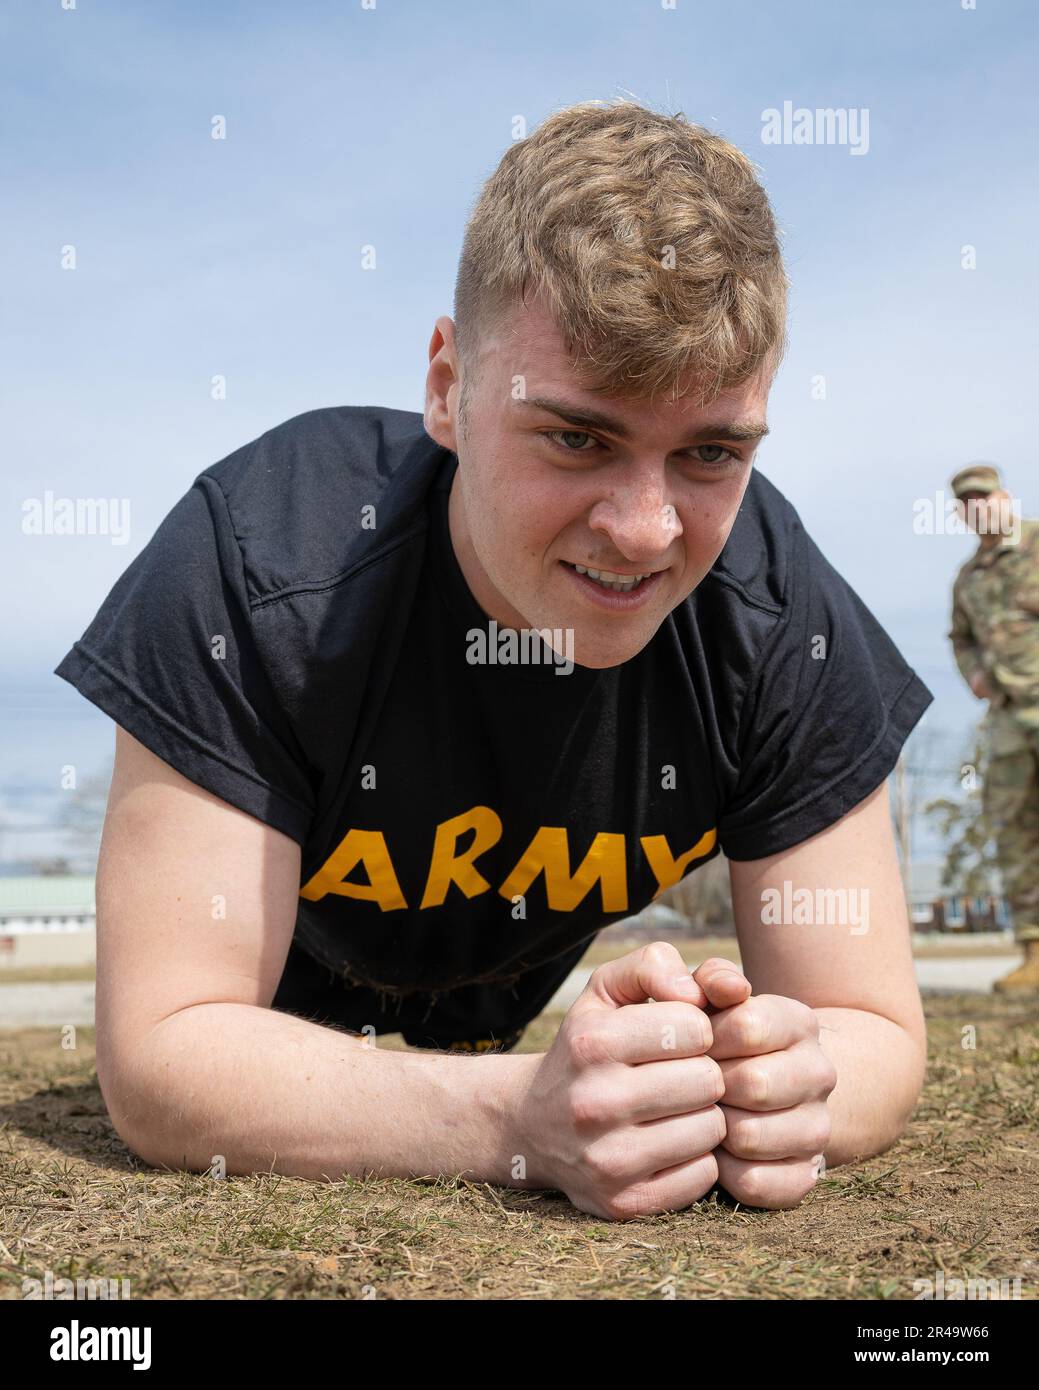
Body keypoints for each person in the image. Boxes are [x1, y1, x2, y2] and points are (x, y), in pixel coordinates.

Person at [54, 99, 932, 1221]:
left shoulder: (773, 614)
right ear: (447, 388)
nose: (645, 530)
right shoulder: (262, 561)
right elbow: (166, 1056)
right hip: (276, 1019)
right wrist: (517, 1120)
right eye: (576, 437)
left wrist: (783, 1086)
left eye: (710, 452)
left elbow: (872, 1028)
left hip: (498, 1021)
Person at [949, 463, 1039, 992]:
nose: (977, 508)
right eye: (967, 503)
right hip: (1007, 718)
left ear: (1005, 497)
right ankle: (1034, 953)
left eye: (984, 497)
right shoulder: (969, 578)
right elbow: (960, 638)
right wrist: (974, 674)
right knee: (1014, 830)